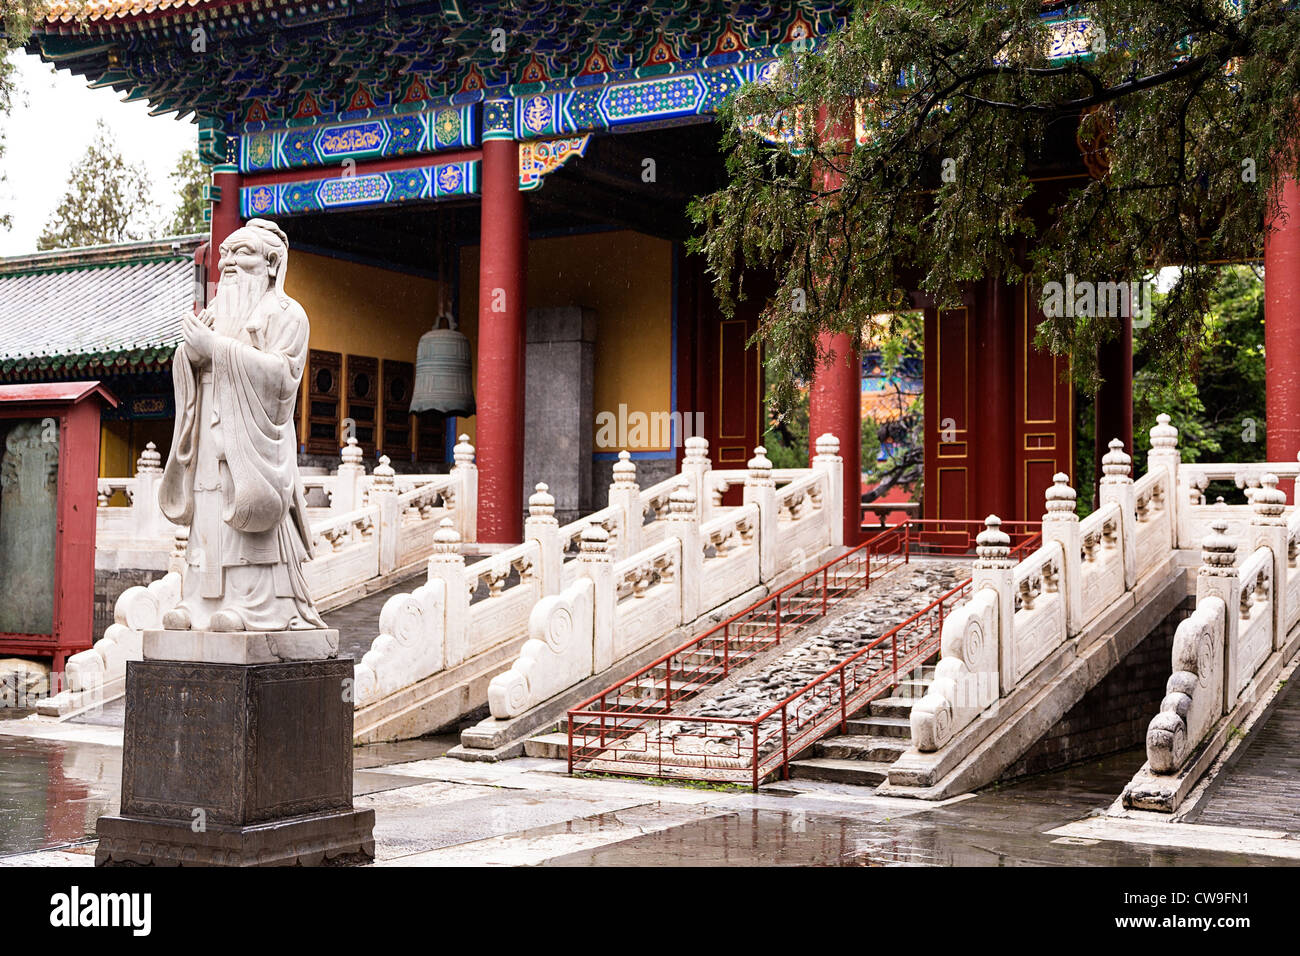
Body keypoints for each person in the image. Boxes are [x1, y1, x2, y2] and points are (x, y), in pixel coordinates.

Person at [159, 218, 325, 632]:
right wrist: (192, 358)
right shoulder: (217, 313)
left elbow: (282, 377)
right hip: (209, 430)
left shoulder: (288, 314)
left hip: (253, 441)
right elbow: (195, 363)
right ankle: (199, 600)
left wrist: (216, 349)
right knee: (208, 513)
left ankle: (256, 606)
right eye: (225, 254)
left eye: (242, 253)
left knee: (247, 520)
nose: (228, 262)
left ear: (272, 263)